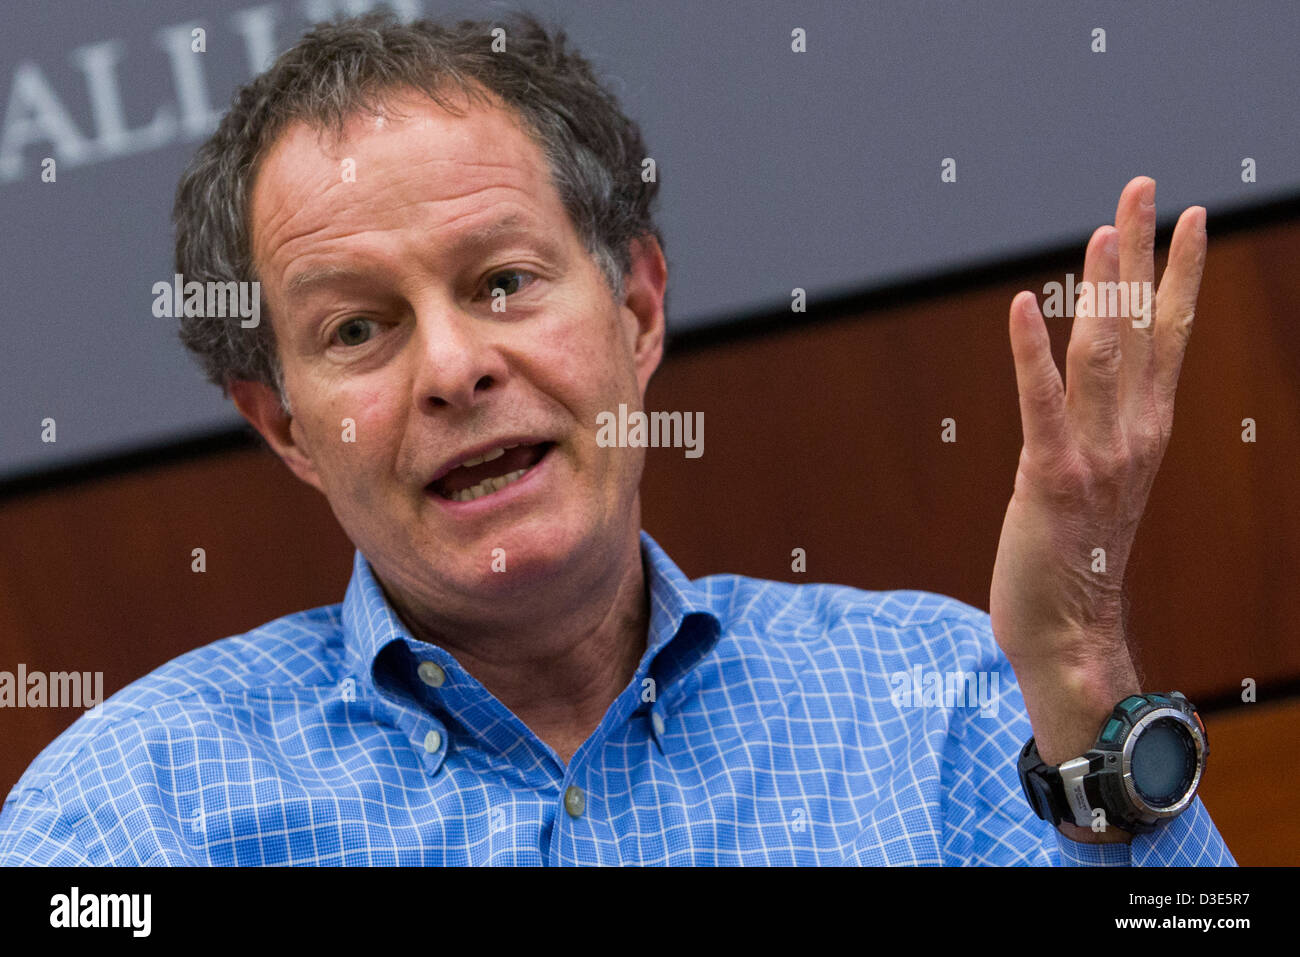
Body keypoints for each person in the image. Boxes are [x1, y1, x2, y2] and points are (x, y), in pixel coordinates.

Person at [0, 11, 1232, 865]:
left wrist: (1080, 677)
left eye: (501, 284)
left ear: (637, 311)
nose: (454, 367)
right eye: (359, 330)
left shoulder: (943, 707)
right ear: (284, 428)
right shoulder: (129, 816)